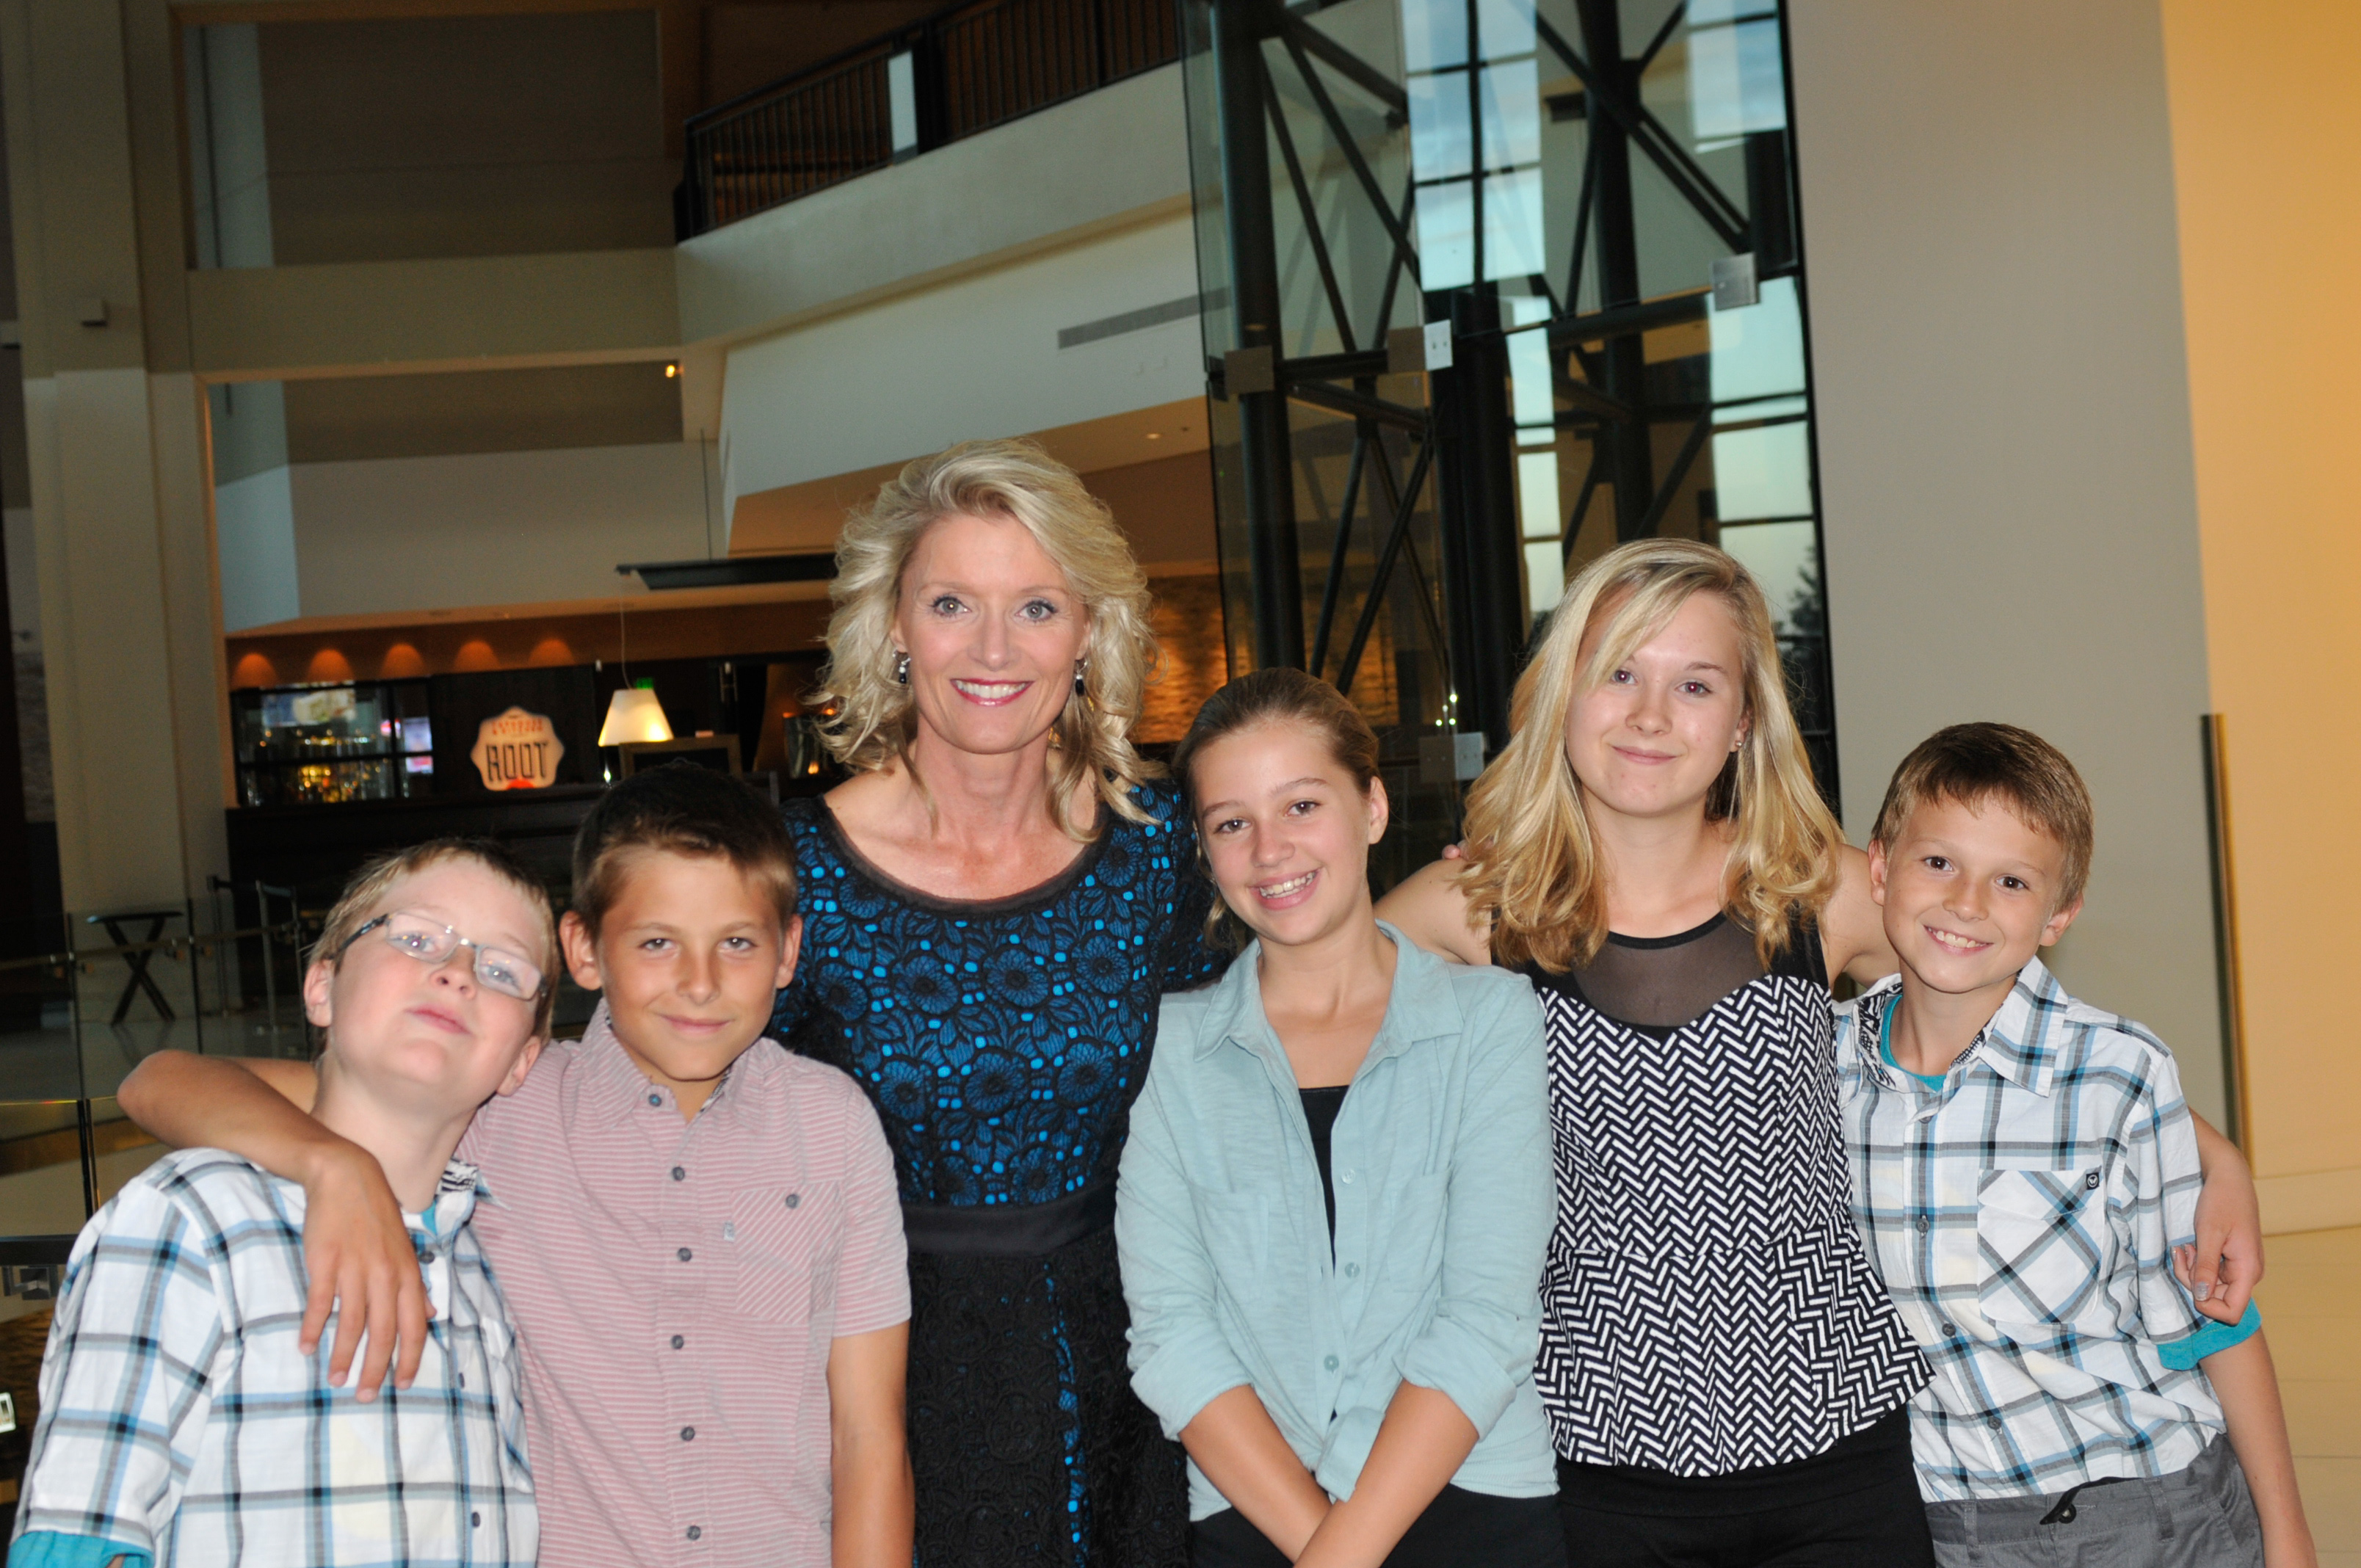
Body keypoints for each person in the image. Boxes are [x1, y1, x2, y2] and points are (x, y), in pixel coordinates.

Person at [1375, 538, 2268, 1566]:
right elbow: (1296, 1015)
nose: (1652, 715)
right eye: (1619, 671)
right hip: (1598, 1470)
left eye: (1696, 683)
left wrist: (2210, 1153)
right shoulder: (1474, 908)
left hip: (1842, 1461)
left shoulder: (1813, 889)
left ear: (1744, 720)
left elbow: (2033, 1038)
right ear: (1563, 689)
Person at [117, 766, 915, 1568]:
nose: (699, 984)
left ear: (788, 952)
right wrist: (333, 1165)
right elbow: (157, 1082)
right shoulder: (503, 1105)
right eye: (657, 942)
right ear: (585, 950)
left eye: (737, 943)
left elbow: (868, 1433)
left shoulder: (833, 1126)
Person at [765, 439, 1228, 1566]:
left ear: (1088, 636)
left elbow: (1309, 987)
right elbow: (656, 1099)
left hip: (1128, 1373)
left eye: (1034, 607)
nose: (991, 649)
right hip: (873, 1371)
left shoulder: (1159, 851)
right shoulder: (790, 869)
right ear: (893, 628)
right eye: (950, 604)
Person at [1118, 669, 1564, 1568]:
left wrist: (1339, 1554)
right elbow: (1172, 1335)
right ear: (1205, 852)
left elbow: (1487, 1319)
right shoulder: (1169, 1051)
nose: (1270, 850)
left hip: (1472, 1496)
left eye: (1302, 806)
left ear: (1372, 807)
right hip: (1254, 1506)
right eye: (1231, 823)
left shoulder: (1491, 1018)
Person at [1839, 723, 2313, 1568]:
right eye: (1938, 862)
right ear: (1879, 869)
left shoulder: (2119, 1076)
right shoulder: (1820, 1067)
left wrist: (2289, 1537)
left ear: (2060, 915)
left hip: (2145, 1514)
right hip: (1941, 1529)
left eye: (2012, 881)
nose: (1967, 903)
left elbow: (2213, 1323)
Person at [12, 838, 548, 1568]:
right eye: (417, 938)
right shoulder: (195, 1222)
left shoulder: (484, 1280)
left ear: (521, 1060)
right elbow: (77, 1538)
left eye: (501, 969)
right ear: (321, 987)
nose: (456, 973)